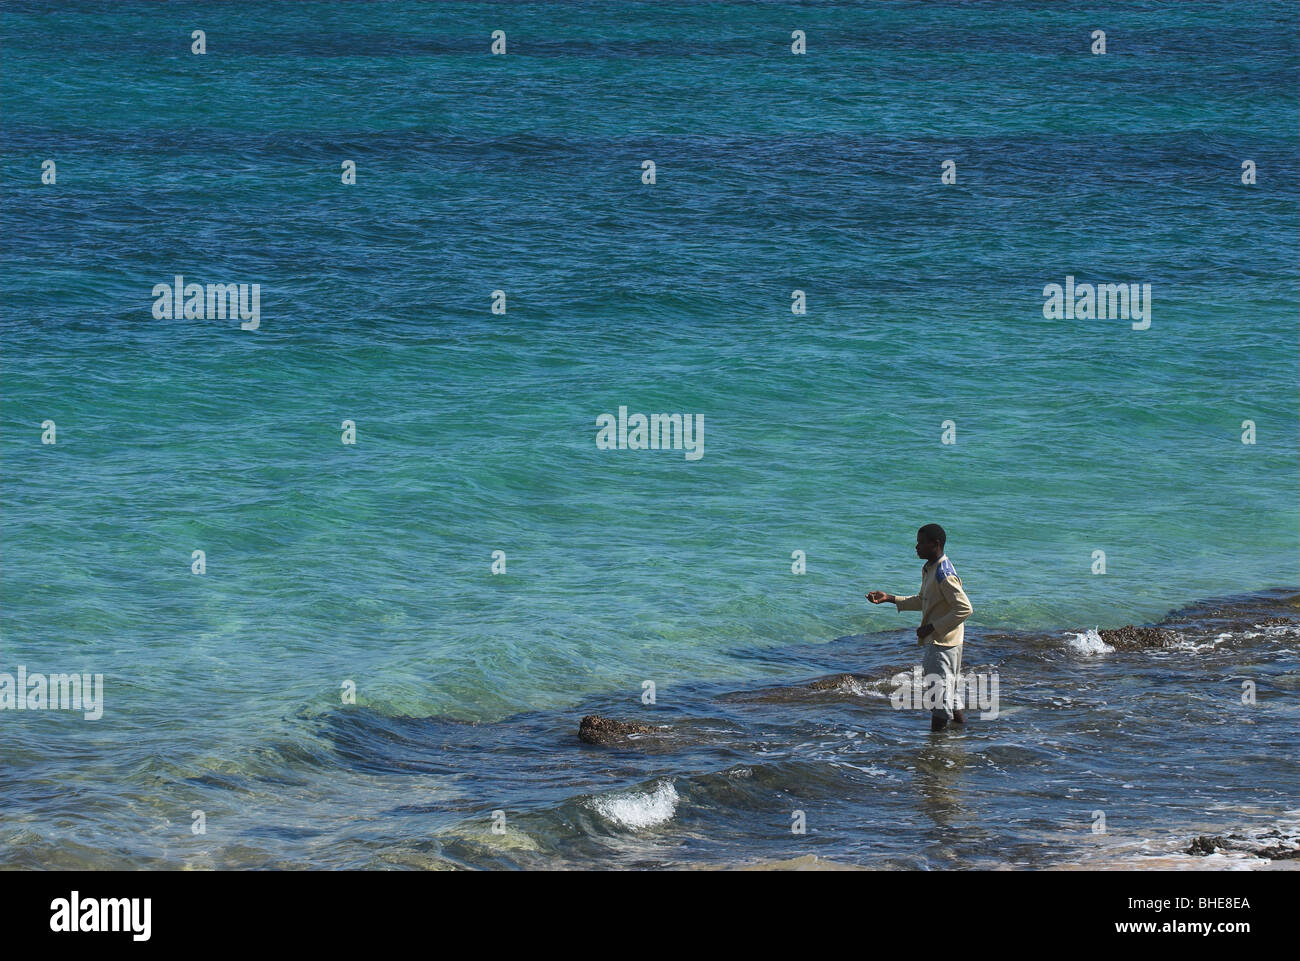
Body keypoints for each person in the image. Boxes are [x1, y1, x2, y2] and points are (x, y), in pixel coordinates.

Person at [866, 524, 973, 731]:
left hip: (944, 644)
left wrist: (932, 627)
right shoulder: (930, 569)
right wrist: (890, 598)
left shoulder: (944, 574)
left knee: (939, 698)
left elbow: (965, 608)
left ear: (936, 544)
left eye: (922, 543)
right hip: (946, 642)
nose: (917, 547)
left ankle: (934, 751)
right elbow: (924, 601)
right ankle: (962, 734)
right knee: (948, 694)